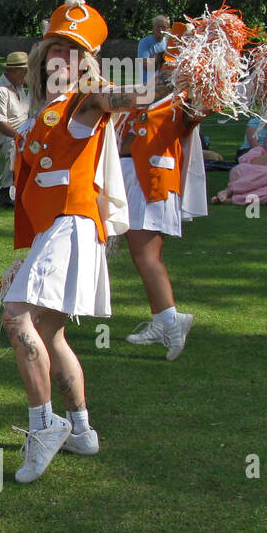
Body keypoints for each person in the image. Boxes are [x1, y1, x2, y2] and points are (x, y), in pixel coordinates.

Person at [1, 0, 134, 484]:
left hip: (70, 224)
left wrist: (173, 80)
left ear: (89, 64)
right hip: (55, 229)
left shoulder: (84, 100)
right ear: (42, 56)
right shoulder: (47, 108)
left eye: (76, 53)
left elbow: (122, 99)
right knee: (50, 332)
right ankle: (80, 428)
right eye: (57, 48)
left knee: (17, 319)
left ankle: (44, 426)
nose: (65, 59)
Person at [116, 81, 207, 360]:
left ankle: (170, 320)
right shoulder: (148, 94)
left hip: (151, 182)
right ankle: (160, 321)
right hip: (135, 178)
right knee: (142, 254)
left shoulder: (182, 102)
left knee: (146, 255)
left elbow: (204, 108)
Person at [0, 51, 31, 207]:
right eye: (25, 71)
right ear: (14, 71)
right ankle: (5, 191)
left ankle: (33, 190)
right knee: (14, 146)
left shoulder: (20, 88)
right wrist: (22, 137)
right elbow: (0, 124)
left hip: (19, 132)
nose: (28, 75)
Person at [214, 130, 267, 205]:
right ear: (265, 143)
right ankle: (230, 190)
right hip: (242, 176)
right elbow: (254, 165)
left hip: (262, 187)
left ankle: (233, 200)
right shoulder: (258, 151)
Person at [136, 14, 171, 86]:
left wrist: (155, 58)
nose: (160, 30)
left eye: (163, 27)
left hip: (162, 85)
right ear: (153, 27)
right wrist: (162, 58)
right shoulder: (144, 42)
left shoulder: (169, 42)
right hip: (146, 85)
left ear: (168, 29)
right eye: (158, 26)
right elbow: (144, 64)